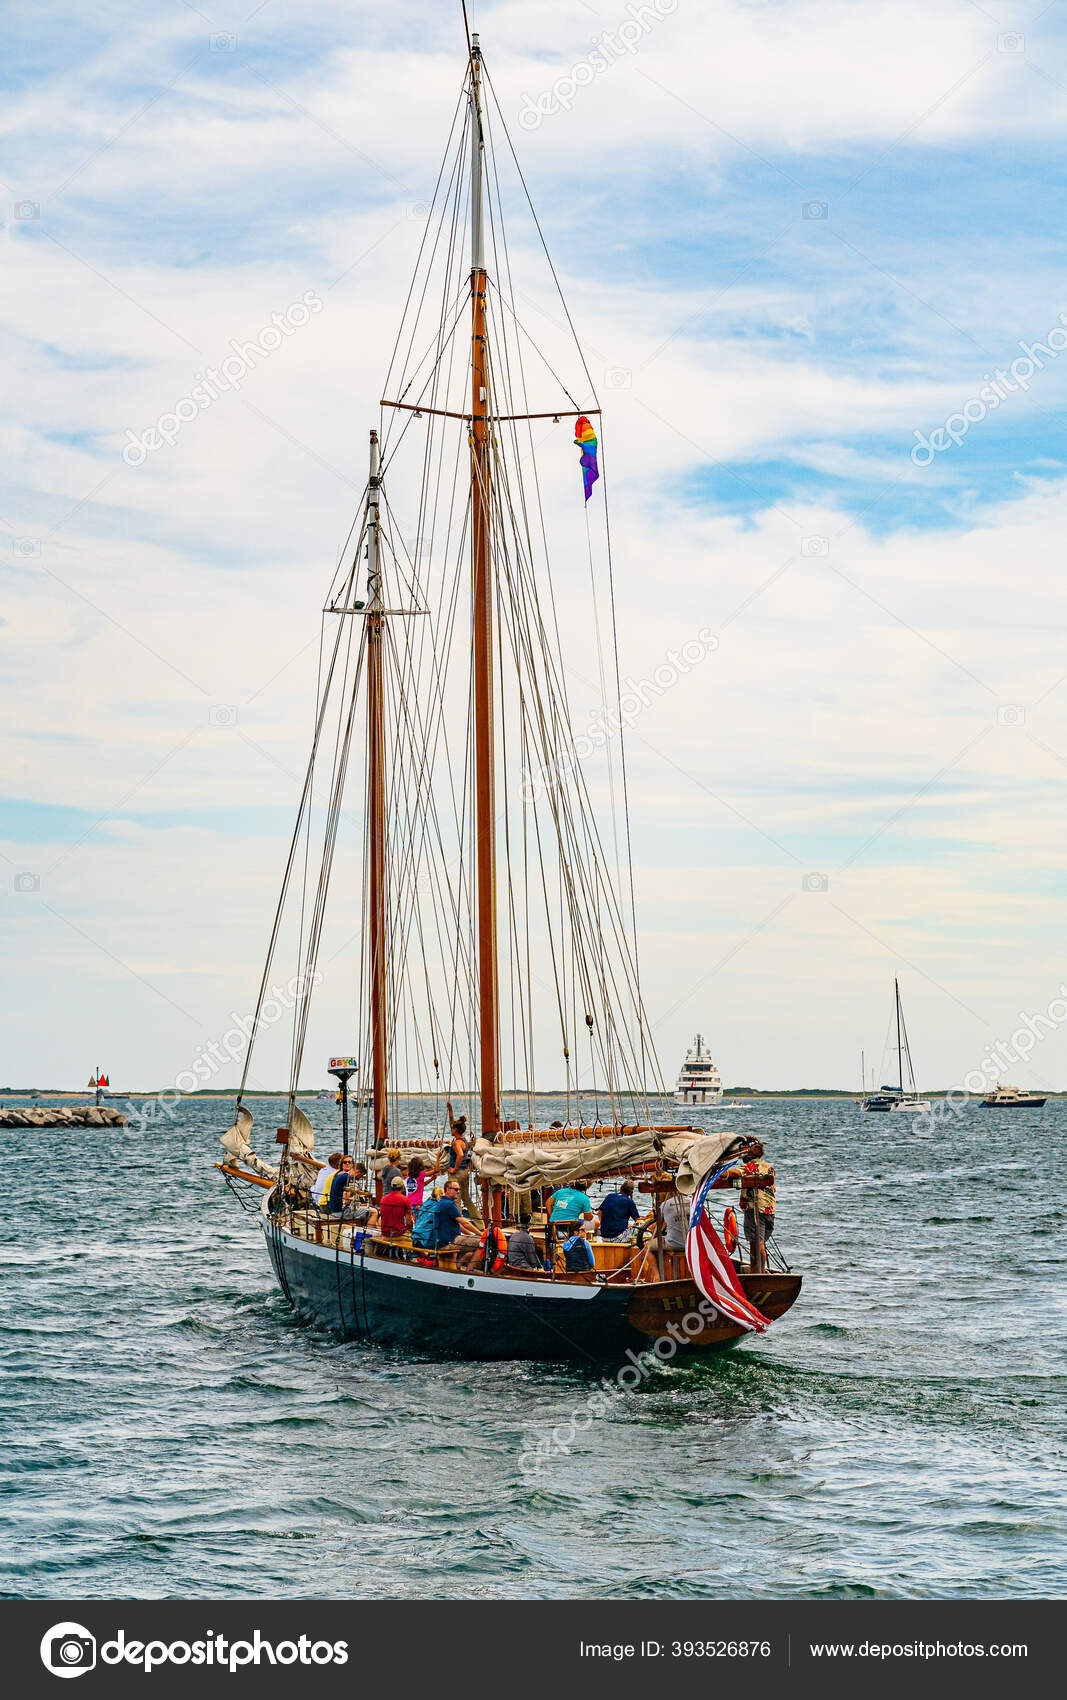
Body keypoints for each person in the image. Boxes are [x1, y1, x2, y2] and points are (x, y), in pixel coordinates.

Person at [717, 1140, 776, 1269]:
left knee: (756, 1243)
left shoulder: (751, 1166)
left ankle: (758, 1272)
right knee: (758, 1242)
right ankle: (757, 1270)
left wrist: (718, 1171)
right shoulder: (769, 1168)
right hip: (769, 1210)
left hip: (755, 1209)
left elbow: (735, 1173)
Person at [444, 1100, 483, 1228]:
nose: (451, 1128)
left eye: (452, 1128)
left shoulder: (456, 1143)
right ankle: (480, 1223)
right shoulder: (464, 1140)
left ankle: (458, 1227)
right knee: (467, 1199)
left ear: (455, 1130)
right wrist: (450, 1111)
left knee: (456, 1201)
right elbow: (452, 1123)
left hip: (457, 1174)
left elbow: (460, 1155)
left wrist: (454, 1168)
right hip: (465, 1172)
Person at [430, 1178, 481, 1258]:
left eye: (459, 1189)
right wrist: (481, 1234)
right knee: (483, 1242)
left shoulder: (441, 1202)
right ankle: (469, 1269)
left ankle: (459, 1263)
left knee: (472, 1240)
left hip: (440, 1241)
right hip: (448, 1242)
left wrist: (471, 1235)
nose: (458, 1192)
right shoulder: (449, 1204)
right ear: (448, 1189)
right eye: (456, 1189)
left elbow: (459, 1226)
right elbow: (465, 1223)